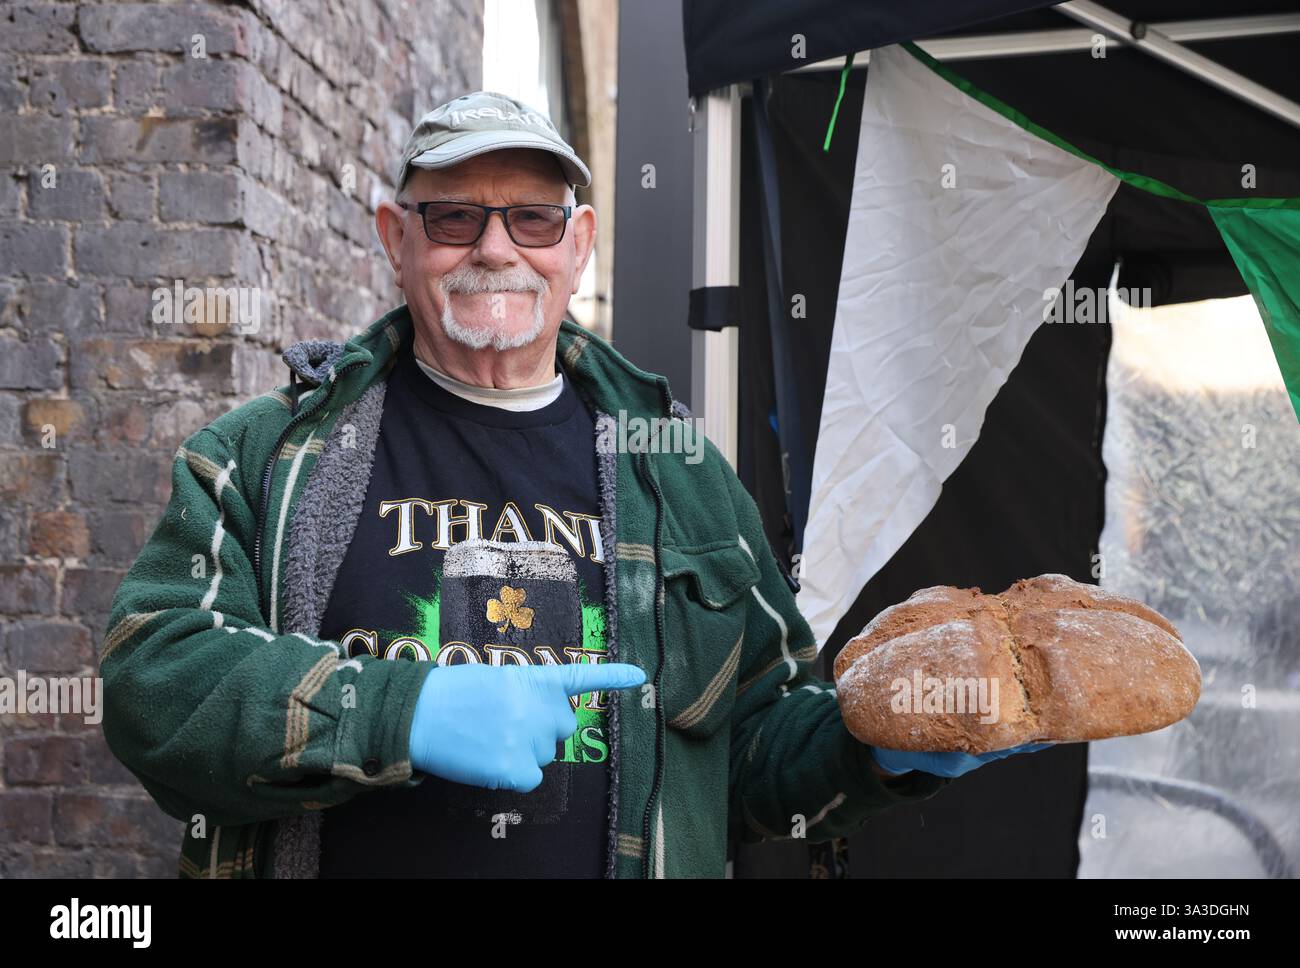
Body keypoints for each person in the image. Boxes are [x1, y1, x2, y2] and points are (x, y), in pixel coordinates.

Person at [100, 91, 1045, 879]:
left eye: (533, 217)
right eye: (454, 216)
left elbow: (754, 755)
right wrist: (403, 711)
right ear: (397, 237)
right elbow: (153, 683)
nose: (496, 249)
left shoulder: (680, 473)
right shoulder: (268, 454)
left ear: (578, 240)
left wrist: (874, 752)